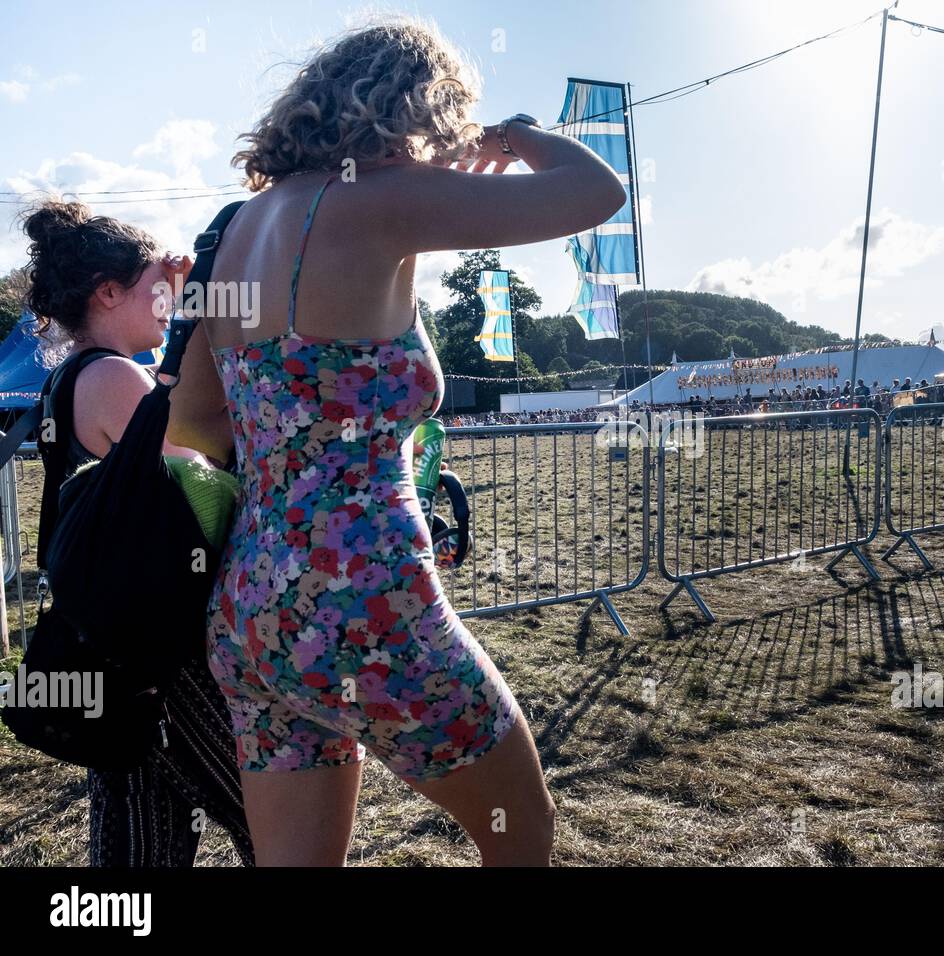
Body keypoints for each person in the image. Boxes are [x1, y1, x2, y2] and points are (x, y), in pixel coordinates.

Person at [167, 17, 623, 866]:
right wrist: (517, 136)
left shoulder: (231, 233)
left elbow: (192, 424)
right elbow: (596, 194)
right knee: (518, 831)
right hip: (369, 598)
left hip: (250, 611)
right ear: (426, 108)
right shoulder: (380, 198)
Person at [19, 200, 253, 867]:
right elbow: (201, 470)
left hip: (114, 636)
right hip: (156, 647)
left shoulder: (71, 378)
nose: (168, 298)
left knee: (140, 826)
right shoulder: (114, 375)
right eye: (157, 285)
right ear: (109, 291)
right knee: (271, 811)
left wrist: (175, 296)